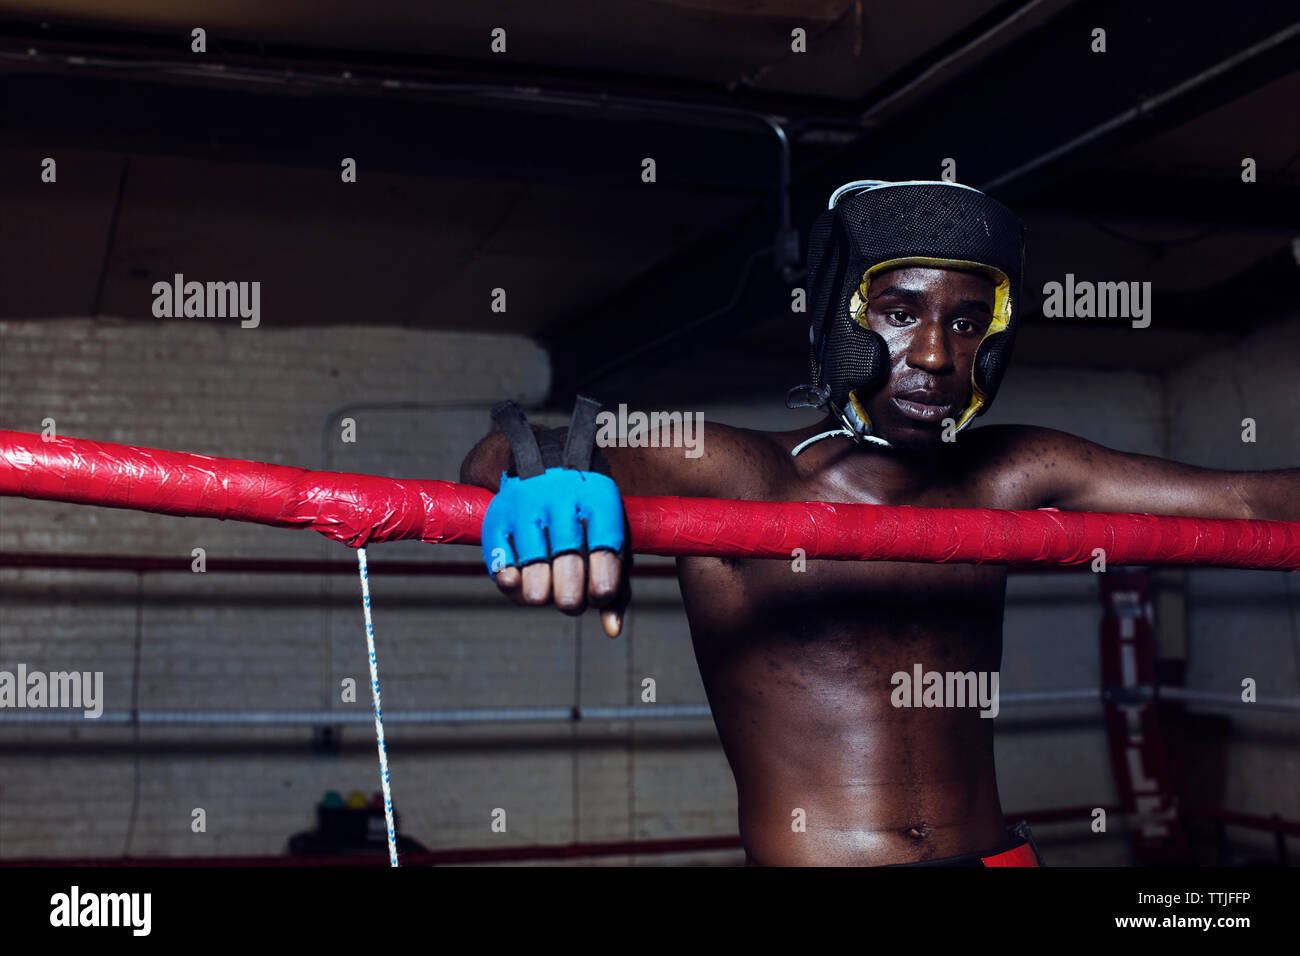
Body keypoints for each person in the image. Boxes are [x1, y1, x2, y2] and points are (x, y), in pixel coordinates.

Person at [459, 180, 1299, 866]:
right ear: (841, 318)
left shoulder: (1013, 471)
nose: (935, 355)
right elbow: (507, 451)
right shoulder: (735, 473)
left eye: (967, 322)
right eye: (901, 311)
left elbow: (1251, 503)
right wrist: (545, 488)